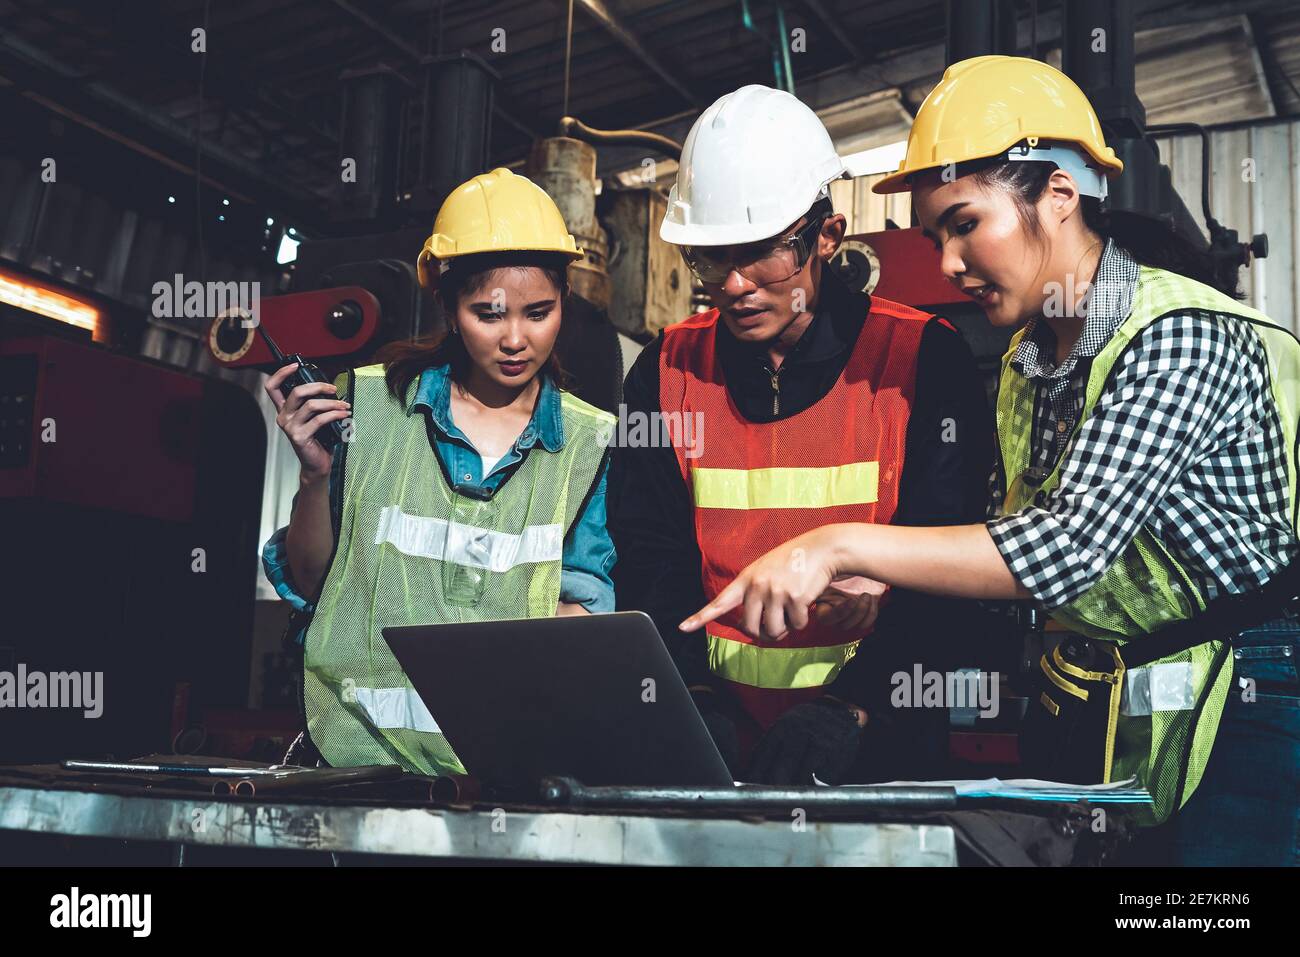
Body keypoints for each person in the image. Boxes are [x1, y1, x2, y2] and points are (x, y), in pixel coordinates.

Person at [681, 56, 1300, 865]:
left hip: (1249, 689)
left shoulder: (1174, 333)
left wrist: (837, 544)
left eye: (966, 223)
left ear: (1060, 195)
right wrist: (889, 584)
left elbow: (1064, 548)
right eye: (937, 234)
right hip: (1124, 688)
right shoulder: (1030, 357)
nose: (946, 262)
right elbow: (1016, 532)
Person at [609, 84, 993, 784]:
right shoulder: (664, 371)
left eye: (759, 254)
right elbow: (648, 560)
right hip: (711, 750)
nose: (731, 284)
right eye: (707, 257)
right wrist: (690, 695)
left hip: (877, 752)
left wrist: (858, 706)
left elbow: (955, 573)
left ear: (826, 236)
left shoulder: (920, 361)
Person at [261, 167, 616, 776]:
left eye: (539, 312)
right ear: (449, 310)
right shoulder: (370, 407)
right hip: (354, 760)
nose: (515, 339)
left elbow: (586, 610)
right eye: (488, 313)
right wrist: (316, 479)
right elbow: (318, 583)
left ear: (563, 306)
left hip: (503, 766)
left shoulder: (587, 442)